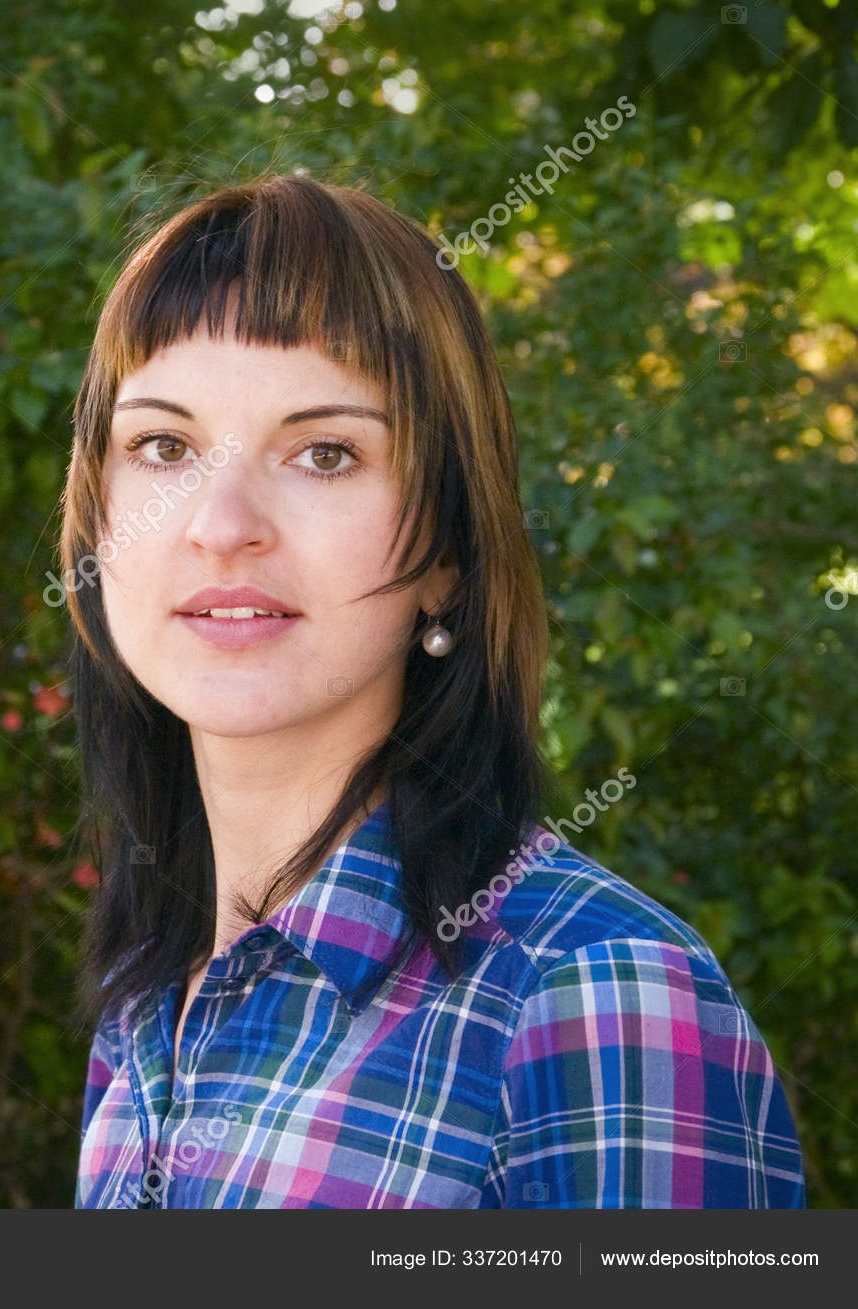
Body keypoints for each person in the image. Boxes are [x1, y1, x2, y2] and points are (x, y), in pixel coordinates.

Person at [60, 173, 804, 1208]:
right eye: (163, 446)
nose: (219, 522)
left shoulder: (593, 994)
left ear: (448, 550)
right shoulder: (151, 1000)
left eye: (324, 452)